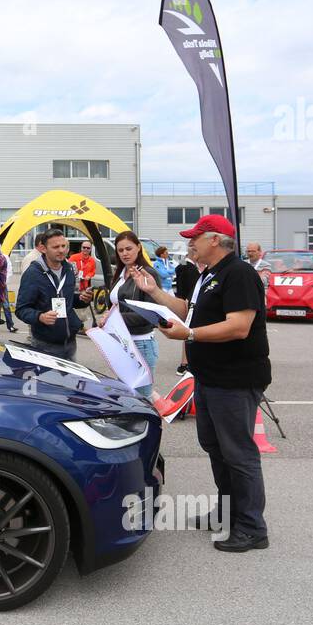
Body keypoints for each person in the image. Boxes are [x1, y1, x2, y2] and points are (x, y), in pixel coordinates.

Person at [130, 214, 271, 553]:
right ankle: (227, 513)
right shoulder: (209, 274)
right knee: (216, 448)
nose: (189, 242)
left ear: (215, 240)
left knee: (238, 453)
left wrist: (189, 334)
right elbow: (188, 310)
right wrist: (155, 293)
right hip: (209, 377)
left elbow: (238, 326)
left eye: (195, 237)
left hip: (234, 379)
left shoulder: (239, 274)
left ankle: (252, 527)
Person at [15, 228, 95, 360]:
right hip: (44, 345)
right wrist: (40, 316)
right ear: (43, 248)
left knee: (70, 380)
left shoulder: (68, 269)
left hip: (70, 342)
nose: (61, 250)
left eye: (64, 246)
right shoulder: (33, 273)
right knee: (49, 381)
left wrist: (81, 298)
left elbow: (66, 299)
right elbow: (21, 309)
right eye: (56, 247)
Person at [99, 230, 159, 397]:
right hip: (122, 342)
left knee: (141, 399)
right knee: (125, 397)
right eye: (120, 250)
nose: (125, 253)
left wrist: (114, 319)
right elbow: (115, 305)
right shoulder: (120, 274)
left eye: (129, 248)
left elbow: (151, 314)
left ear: (139, 248)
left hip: (141, 344)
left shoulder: (148, 273)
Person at [173, 243, 204, 374]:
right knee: (189, 334)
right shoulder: (190, 269)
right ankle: (185, 364)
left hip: (181, 300)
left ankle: (184, 363)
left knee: (188, 334)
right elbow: (192, 290)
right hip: (188, 304)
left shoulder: (182, 266)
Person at [69, 240, 98, 326]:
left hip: (84, 287)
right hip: (74, 287)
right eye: (84, 247)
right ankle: (76, 324)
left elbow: (93, 271)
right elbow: (67, 269)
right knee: (74, 307)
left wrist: (89, 275)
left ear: (90, 249)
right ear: (81, 248)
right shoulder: (74, 257)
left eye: (88, 248)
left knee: (83, 307)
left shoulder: (92, 260)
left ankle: (80, 325)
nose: (85, 249)